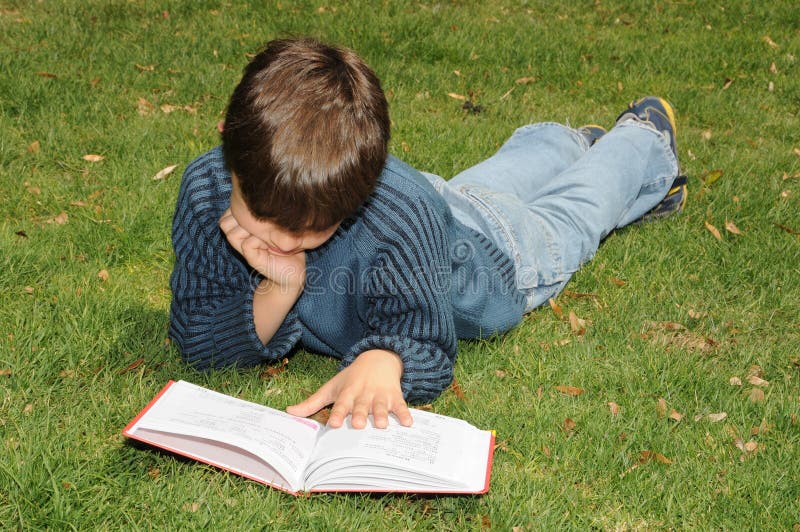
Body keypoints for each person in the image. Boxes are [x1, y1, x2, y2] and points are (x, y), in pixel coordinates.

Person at [169, 37, 686, 430]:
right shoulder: (205, 188)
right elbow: (197, 338)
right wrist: (281, 287)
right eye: (264, 214)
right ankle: (564, 143)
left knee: (569, 217)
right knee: (474, 194)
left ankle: (642, 141)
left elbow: (428, 341)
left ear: (361, 190)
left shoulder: (398, 213)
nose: (283, 242)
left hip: (488, 257)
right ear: (229, 144)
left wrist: (385, 358)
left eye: (313, 228)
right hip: (439, 202)